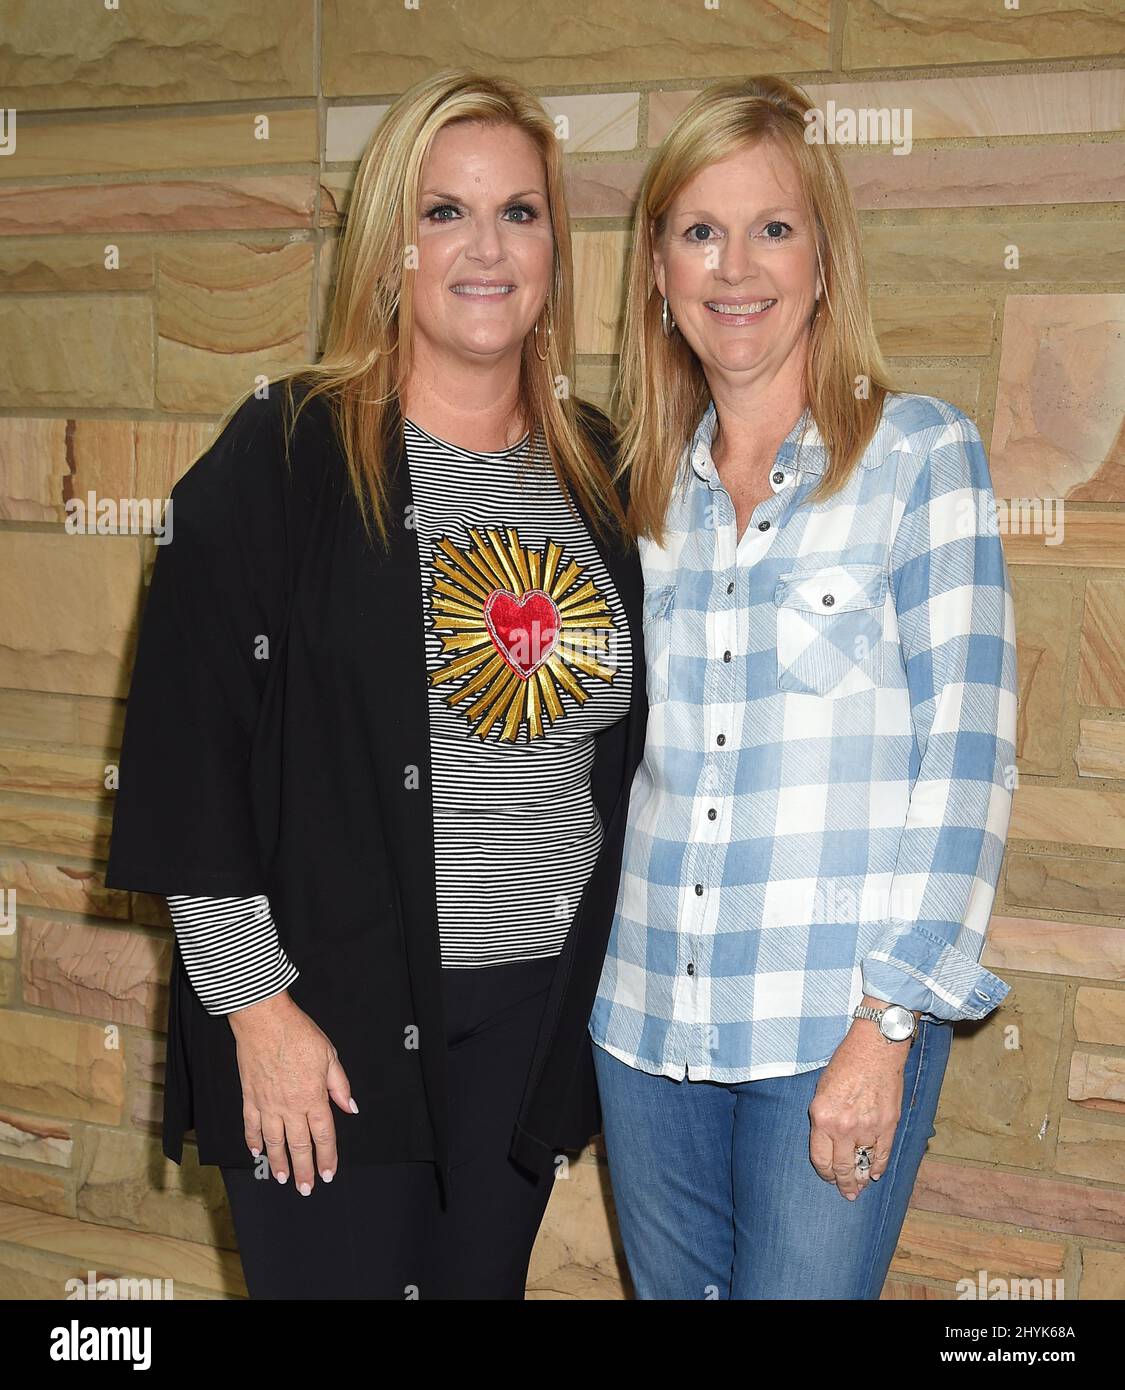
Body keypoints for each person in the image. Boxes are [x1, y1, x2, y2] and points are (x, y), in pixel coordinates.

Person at [105, 68, 646, 1300]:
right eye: (444, 211)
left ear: (556, 242)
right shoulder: (286, 451)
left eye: (520, 210)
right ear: (390, 244)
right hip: (329, 1026)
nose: (486, 247)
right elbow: (196, 751)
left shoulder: (604, 470)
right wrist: (257, 1012)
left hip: (528, 1030)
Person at [588, 75, 1017, 1300]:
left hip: (831, 1027)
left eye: (774, 227)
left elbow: (969, 758)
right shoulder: (631, 492)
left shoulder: (919, 455)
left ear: (824, 260)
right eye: (700, 231)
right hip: (646, 1027)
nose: (738, 267)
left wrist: (887, 1027)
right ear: (660, 273)